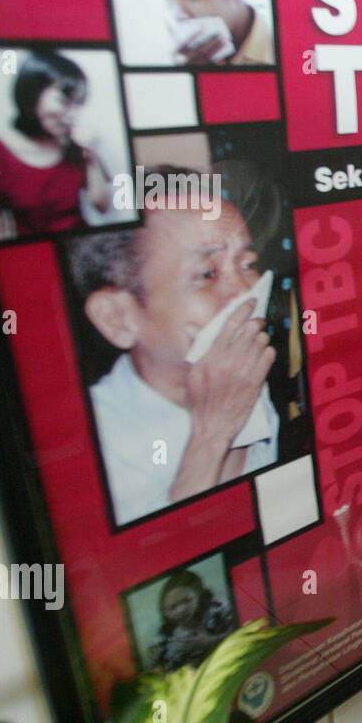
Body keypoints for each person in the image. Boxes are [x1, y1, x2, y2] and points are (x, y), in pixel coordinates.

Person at [68, 169, 278, 524]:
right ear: (118, 318)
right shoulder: (87, 447)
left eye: (248, 265)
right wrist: (212, 434)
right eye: (207, 274)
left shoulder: (240, 371)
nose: (245, 292)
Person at [0, 50, 113, 240]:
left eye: (78, 105)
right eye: (64, 101)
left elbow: (102, 206)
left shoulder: (75, 143)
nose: (72, 115)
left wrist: (90, 156)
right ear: (31, 94)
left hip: (83, 245)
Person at [148, 569, 235, 670]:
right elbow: (155, 671)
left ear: (199, 595)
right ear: (163, 611)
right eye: (173, 607)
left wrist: (208, 642)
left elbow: (243, 628)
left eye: (187, 601)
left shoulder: (219, 609)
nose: (181, 610)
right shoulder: (161, 640)